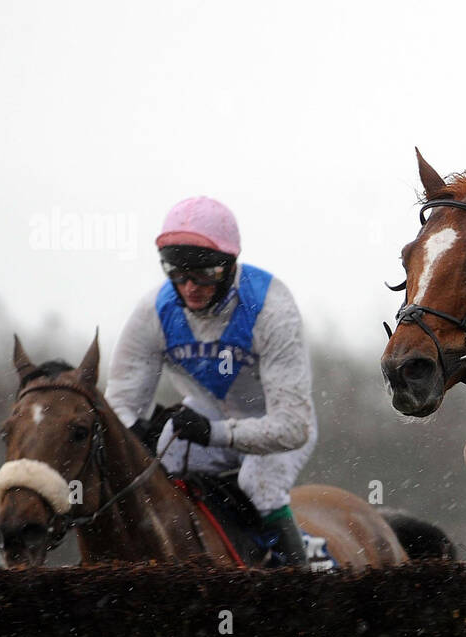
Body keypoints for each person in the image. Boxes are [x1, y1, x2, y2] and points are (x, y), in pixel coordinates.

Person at [105, 195, 319, 563]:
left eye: (204, 273)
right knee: (151, 475)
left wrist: (213, 433)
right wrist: (137, 431)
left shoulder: (271, 307)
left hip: (277, 422)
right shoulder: (153, 311)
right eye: (177, 271)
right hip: (203, 420)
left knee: (259, 484)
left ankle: (305, 587)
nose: (190, 286)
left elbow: (293, 427)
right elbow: (119, 406)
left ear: (231, 265)